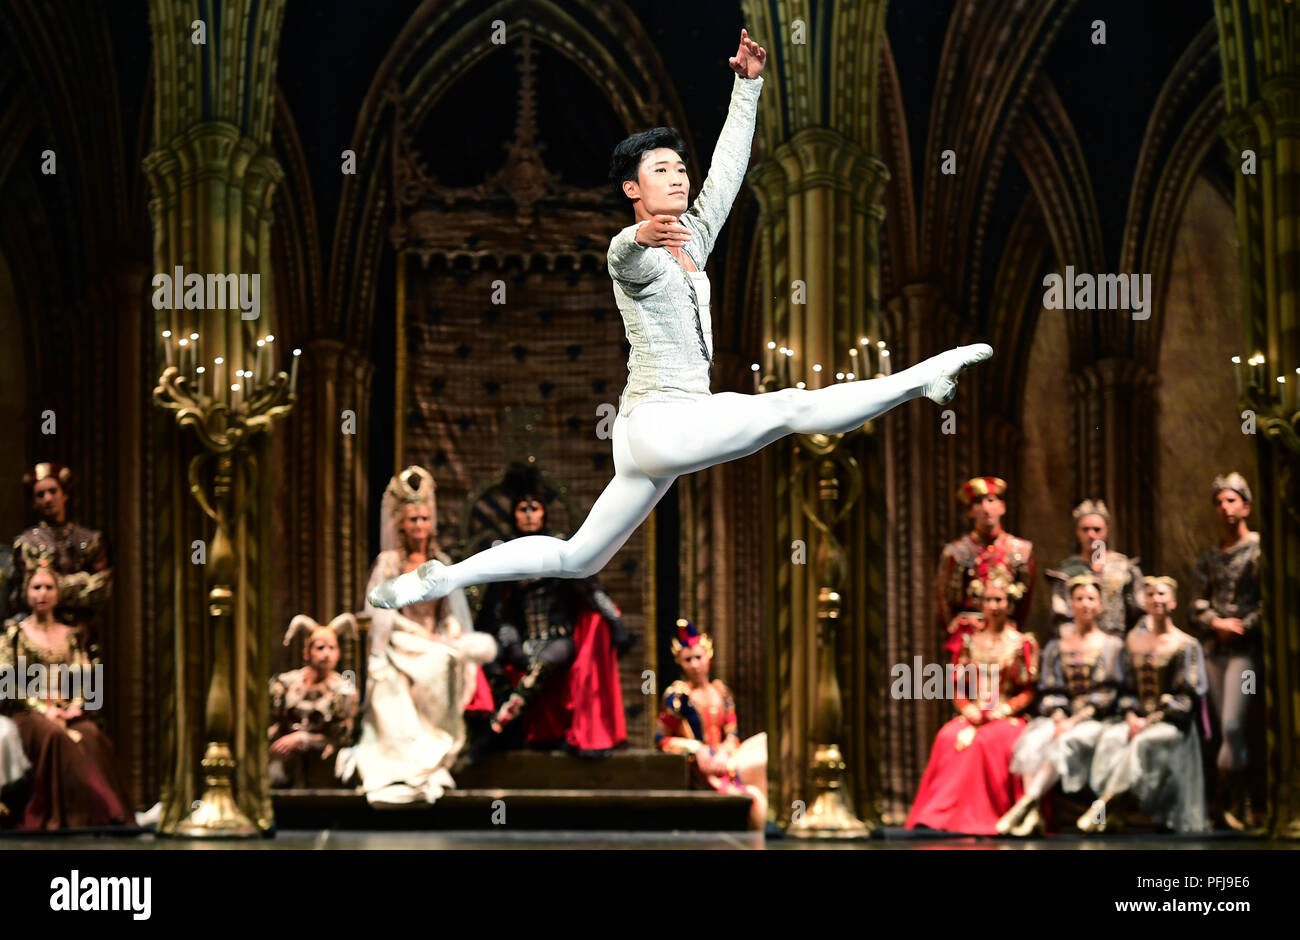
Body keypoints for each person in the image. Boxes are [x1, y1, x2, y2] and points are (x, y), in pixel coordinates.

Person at [367, 29, 993, 612]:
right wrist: (638, 234)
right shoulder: (636, 255)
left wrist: (747, 87)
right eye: (660, 170)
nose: (677, 176)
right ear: (633, 189)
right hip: (662, 421)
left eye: (678, 167)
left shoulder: (694, 234)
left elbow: (727, 170)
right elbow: (620, 255)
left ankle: (444, 577)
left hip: (653, 433)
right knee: (791, 409)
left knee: (577, 557)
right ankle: (922, 377)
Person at [336, 467, 497, 805]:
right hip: (401, 639)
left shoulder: (440, 562)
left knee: (446, 659)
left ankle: (438, 747)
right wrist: (413, 634)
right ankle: (404, 757)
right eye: (413, 519)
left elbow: (451, 613)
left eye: (424, 518)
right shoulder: (390, 563)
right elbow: (381, 610)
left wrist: (450, 634)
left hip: (433, 639)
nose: (420, 525)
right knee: (421, 665)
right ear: (403, 524)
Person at [475, 463, 629, 755]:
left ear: (544, 511)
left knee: (543, 662)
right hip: (525, 639)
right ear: (514, 514)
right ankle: (513, 733)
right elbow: (498, 610)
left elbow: (590, 588)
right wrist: (509, 641)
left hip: (560, 640)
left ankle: (496, 729)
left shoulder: (561, 547)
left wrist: (615, 620)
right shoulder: (505, 553)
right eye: (523, 508)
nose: (530, 514)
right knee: (497, 660)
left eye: (535, 508)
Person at [906, 566, 1040, 834]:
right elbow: (957, 688)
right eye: (988, 599)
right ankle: (943, 815)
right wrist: (969, 710)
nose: (993, 606)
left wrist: (1004, 709)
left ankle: (987, 815)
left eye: (999, 600)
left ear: (1009, 603)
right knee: (948, 736)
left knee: (987, 741)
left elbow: (1029, 691)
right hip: (976, 712)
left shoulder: (1021, 643)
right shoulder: (970, 642)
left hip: (1007, 716)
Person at [0, 560, 131, 828]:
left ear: (58, 593)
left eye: (49, 587)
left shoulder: (71, 635)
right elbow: (7, 682)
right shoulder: (14, 635)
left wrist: (76, 706)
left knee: (92, 736)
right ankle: (84, 812)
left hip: (65, 709)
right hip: (29, 713)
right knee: (55, 737)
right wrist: (43, 709)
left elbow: (85, 678)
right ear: (27, 592)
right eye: (36, 587)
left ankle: (105, 814)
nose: (42, 594)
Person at [997, 575, 1125, 835]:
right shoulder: (1057, 646)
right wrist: (1058, 717)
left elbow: (1108, 694)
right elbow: (1050, 689)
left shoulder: (1112, 646)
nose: (1085, 604)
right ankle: (1033, 816)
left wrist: (1073, 721)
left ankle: (1027, 802)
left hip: (1096, 720)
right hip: (1062, 718)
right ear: (1071, 604)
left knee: (1066, 741)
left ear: (1100, 605)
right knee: (1035, 739)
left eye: (1091, 599)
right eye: (1079, 599)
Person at [1082, 577, 1209, 833]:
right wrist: (1131, 716)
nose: (1156, 600)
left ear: (1173, 601)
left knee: (1143, 742)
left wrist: (1151, 720)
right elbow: (1127, 688)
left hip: (1172, 723)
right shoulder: (1133, 641)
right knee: (1111, 738)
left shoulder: (1186, 644)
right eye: (1150, 594)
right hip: (1138, 719)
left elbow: (1187, 697)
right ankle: (1114, 812)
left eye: (1162, 594)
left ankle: (1103, 804)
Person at [1190, 471, 1261, 830]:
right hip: (1214, 650)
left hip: (1245, 652)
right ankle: (1223, 806)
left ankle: (1239, 799)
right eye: (1218, 502)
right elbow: (1196, 604)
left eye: (1231, 500)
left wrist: (1242, 626)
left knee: (1234, 724)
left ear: (1245, 505)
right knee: (1219, 727)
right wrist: (1215, 623)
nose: (1224, 508)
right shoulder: (1208, 557)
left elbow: (1269, 602)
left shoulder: (1259, 550)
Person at [656, 618, 767, 830]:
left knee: (763, 743)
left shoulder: (722, 692)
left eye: (698, 657)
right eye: (688, 660)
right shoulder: (678, 697)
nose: (695, 664)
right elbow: (660, 739)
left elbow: (732, 734)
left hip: (726, 758)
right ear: (680, 663)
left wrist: (725, 751)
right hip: (702, 765)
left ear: (709, 657)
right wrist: (695, 748)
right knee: (754, 787)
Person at [10, 463, 112, 649]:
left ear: (64, 494)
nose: (47, 498)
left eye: (52, 491)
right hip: (39, 637)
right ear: (34, 502)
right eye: (40, 495)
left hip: (84, 634)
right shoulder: (27, 543)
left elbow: (101, 589)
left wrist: (55, 586)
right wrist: (81, 581)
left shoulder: (90, 540)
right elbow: (31, 591)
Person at [936, 476, 1036, 659]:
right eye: (978, 502)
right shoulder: (956, 552)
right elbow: (945, 602)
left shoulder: (1020, 550)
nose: (985, 508)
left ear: (1002, 507)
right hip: (968, 635)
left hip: (1005, 634)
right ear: (970, 511)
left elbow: (1024, 603)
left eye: (991, 500)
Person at [269, 614, 360, 788]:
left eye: (332, 648)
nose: (326, 654)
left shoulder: (343, 691)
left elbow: (341, 739)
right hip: (286, 761)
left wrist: (304, 738)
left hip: (324, 762)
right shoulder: (287, 683)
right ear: (307, 652)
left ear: (339, 653)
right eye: (320, 648)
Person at [1046, 499, 1143, 637]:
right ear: (1077, 532)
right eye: (1085, 529)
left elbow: (1138, 610)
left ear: (1107, 531)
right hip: (1078, 644)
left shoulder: (1123, 567)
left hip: (1116, 643)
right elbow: (1060, 615)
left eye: (1097, 529)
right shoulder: (1066, 571)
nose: (1091, 535)